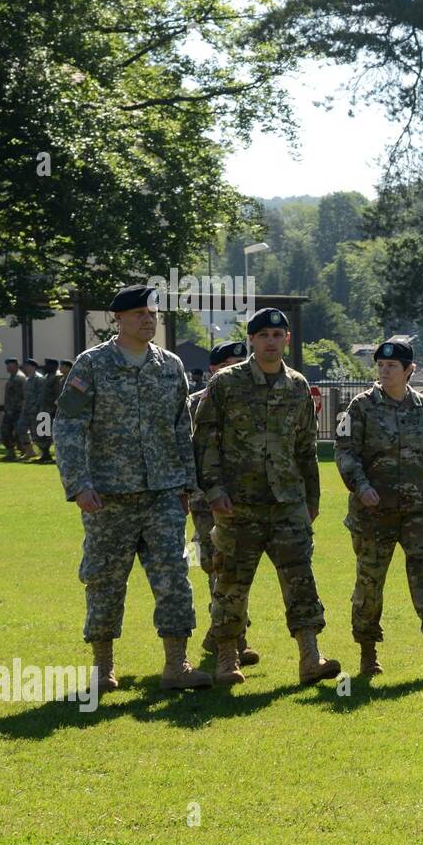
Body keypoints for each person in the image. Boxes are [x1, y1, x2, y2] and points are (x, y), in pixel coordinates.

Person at [53, 285, 210, 692]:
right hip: (109, 497)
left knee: (175, 578)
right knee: (104, 581)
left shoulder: (170, 366)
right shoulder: (92, 365)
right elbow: (68, 426)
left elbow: (181, 429)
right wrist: (79, 485)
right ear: (118, 319)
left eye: (152, 313)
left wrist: (187, 487)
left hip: (163, 494)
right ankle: (103, 668)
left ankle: (177, 665)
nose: (148, 319)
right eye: (139, 313)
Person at [193, 307, 340, 687]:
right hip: (238, 502)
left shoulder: (297, 387)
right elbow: (205, 440)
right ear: (252, 342)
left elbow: (307, 447)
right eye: (263, 336)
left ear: (286, 340)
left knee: (300, 578)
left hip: (287, 501)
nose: (271, 342)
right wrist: (214, 490)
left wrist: (312, 498)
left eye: (278, 336)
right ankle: (227, 656)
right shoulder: (226, 384)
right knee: (231, 581)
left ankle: (310, 655)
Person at [336, 339, 423, 680]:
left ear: (409, 370)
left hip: (419, 512)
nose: (384, 370)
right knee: (370, 582)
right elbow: (345, 452)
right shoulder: (360, 407)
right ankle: (368, 654)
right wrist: (361, 486)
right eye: (380, 365)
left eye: (392, 366)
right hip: (373, 513)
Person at [188, 341, 256, 666]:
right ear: (213, 368)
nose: (238, 368)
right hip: (205, 502)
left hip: (244, 498)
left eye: (242, 363)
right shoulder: (193, 405)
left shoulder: (252, 402)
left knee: (240, 566)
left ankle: (226, 634)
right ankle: (232, 638)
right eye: (230, 363)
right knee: (215, 564)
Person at [17, 359, 45, 459]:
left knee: (36, 433)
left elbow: (41, 396)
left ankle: (43, 453)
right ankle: (30, 451)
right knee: (21, 428)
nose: (25, 368)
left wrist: (36, 408)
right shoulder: (28, 379)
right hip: (26, 410)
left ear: (33, 366)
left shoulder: (39, 378)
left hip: (35, 410)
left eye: (27, 366)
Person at [0, 358, 26, 461]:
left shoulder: (19, 378)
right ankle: (11, 452)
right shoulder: (12, 377)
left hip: (16, 411)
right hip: (10, 410)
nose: (7, 367)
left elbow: (22, 396)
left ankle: (23, 451)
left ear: (15, 365)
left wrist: (17, 409)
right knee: (6, 431)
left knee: (17, 432)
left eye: (9, 365)